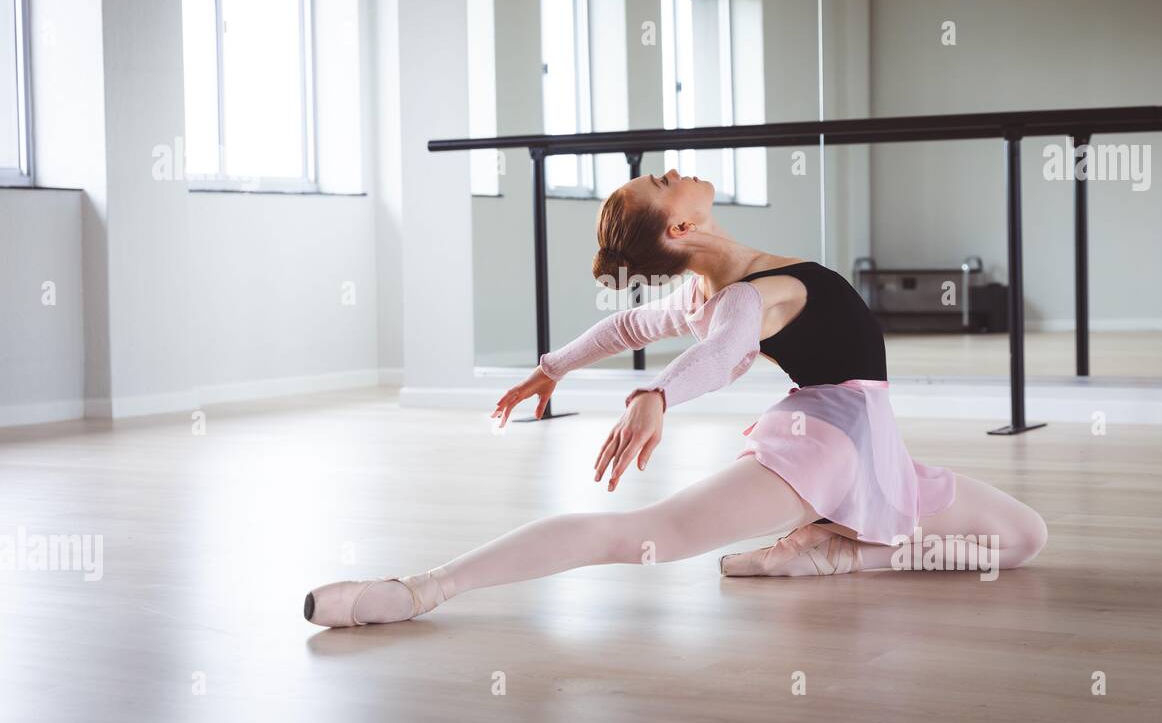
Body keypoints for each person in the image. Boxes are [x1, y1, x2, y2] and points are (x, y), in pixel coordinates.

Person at [305, 169, 1048, 627]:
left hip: (868, 442)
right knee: (636, 536)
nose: (670, 171)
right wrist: (655, 392)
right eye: (660, 185)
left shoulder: (710, 290)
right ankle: (415, 591)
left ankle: (833, 554)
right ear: (681, 225)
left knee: (1019, 539)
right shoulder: (747, 298)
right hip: (820, 449)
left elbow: (630, 321)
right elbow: (721, 354)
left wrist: (554, 367)